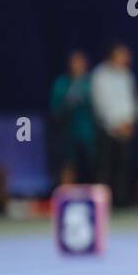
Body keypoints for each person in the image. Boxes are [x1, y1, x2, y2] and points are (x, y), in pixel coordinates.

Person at [91, 43, 136, 207]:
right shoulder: (100, 75)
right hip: (107, 129)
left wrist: (129, 123)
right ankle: (102, 204)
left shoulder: (126, 75)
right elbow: (101, 104)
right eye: (122, 55)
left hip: (125, 128)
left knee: (122, 168)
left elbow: (129, 101)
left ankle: (121, 202)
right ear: (112, 56)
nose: (126, 58)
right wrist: (116, 124)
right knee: (105, 168)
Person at [49, 51, 95, 186]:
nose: (78, 66)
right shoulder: (61, 83)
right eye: (75, 62)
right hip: (67, 134)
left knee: (91, 166)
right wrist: (68, 101)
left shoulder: (91, 82)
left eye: (81, 62)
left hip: (89, 134)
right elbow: (55, 109)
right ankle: (66, 197)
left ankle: (92, 199)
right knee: (68, 165)